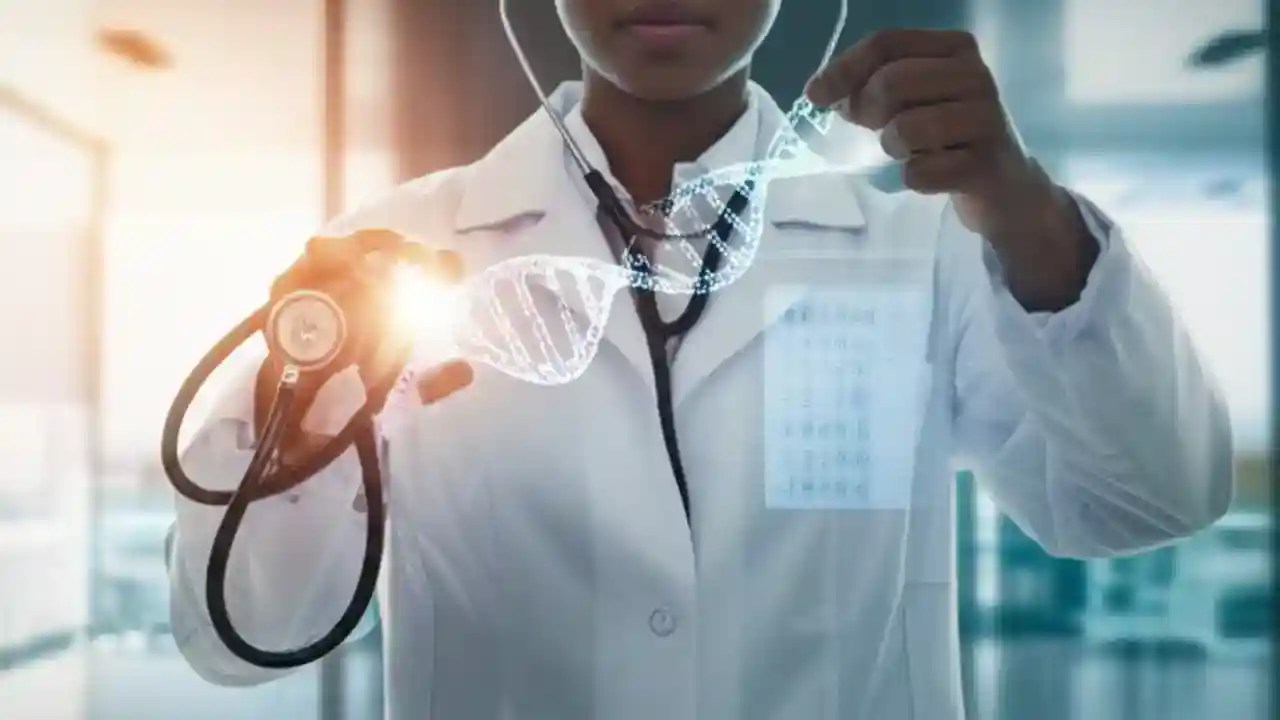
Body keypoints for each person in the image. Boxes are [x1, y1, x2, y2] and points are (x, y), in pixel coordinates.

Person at [169, 1, 1234, 717]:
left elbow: (1145, 502)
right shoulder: (393, 256)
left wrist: (1025, 210)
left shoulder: (931, 244)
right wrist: (300, 395)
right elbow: (243, 630)